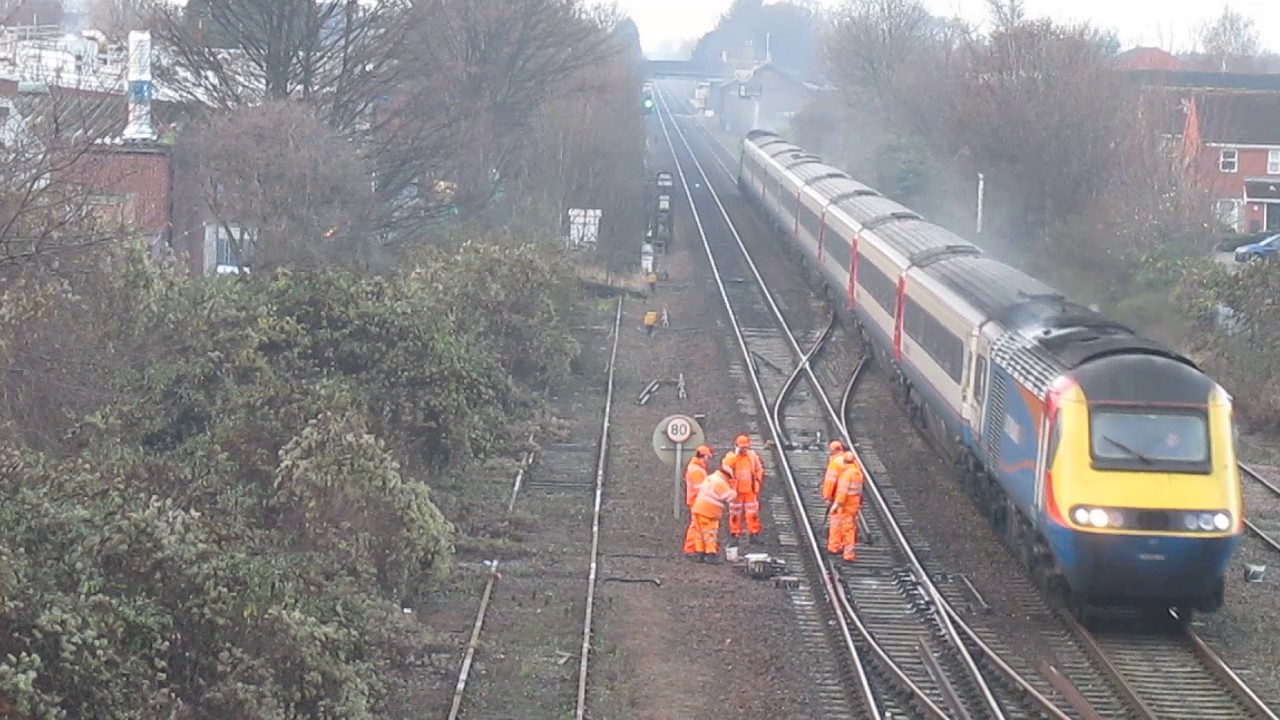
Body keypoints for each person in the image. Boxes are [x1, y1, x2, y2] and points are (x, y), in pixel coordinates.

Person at [690, 459, 738, 563]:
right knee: (710, 534)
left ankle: (700, 554)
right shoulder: (720, 483)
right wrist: (734, 490)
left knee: (699, 533)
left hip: (698, 508)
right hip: (709, 511)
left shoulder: (711, 478)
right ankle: (711, 555)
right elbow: (728, 497)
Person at [722, 434, 764, 542]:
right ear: (737, 446)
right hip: (736, 491)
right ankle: (734, 533)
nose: (744, 449)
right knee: (735, 514)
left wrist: (758, 481)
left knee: (752, 514)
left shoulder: (752, 456)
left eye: (745, 447)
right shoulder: (732, 457)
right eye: (742, 447)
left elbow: (759, 469)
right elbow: (725, 467)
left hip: (750, 490)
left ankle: (754, 533)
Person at [829, 451, 865, 562]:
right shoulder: (858, 473)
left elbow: (842, 493)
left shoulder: (846, 475)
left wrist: (836, 504)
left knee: (847, 529)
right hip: (853, 504)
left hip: (845, 506)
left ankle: (847, 553)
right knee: (847, 527)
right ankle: (837, 547)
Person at [683, 445, 714, 559]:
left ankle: (695, 548)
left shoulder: (696, 467)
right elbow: (700, 488)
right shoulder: (696, 470)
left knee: (697, 525)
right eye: (707, 457)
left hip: (697, 501)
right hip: (697, 501)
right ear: (704, 456)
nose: (708, 460)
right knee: (696, 525)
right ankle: (690, 548)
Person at [823, 440, 847, 554]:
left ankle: (834, 547)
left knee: (836, 521)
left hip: (837, 497)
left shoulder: (835, 463)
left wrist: (827, 497)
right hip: (851, 498)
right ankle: (844, 546)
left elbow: (830, 482)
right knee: (847, 523)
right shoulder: (851, 462)